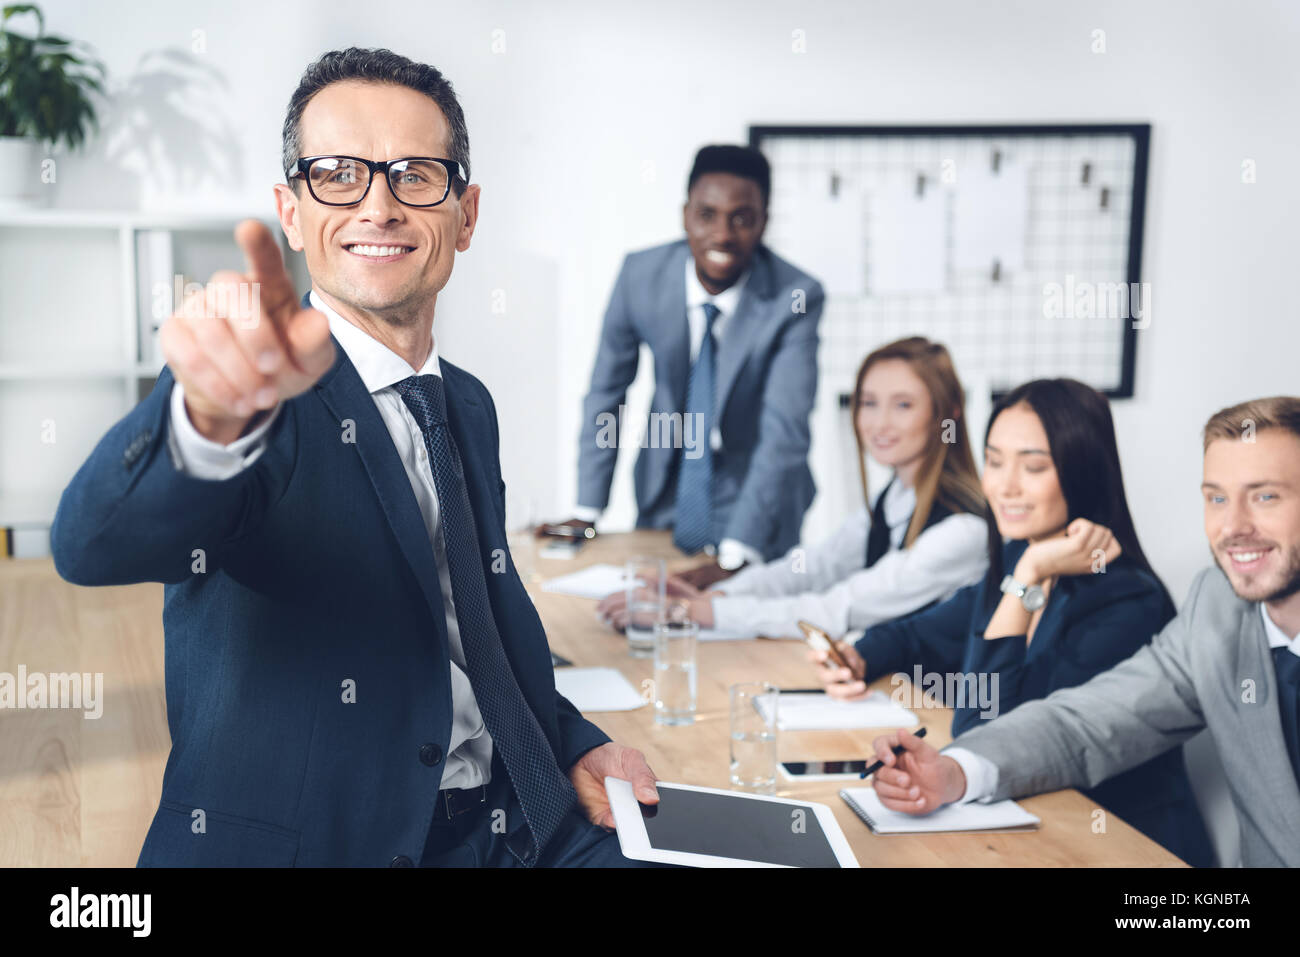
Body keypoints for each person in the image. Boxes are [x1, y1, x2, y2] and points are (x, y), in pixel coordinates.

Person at [49, 47, 660, 868]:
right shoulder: (255, 399)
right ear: (292, 210)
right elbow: (91, 545)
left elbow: (480, 626)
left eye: (415, 174)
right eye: (338, 174)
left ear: (465, 213)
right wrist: (205, 420)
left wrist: (575, 741)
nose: (379, 205)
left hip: (517, 823)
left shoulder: (467, 403)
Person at [864, 395, 1300, 868]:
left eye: (1265, 496)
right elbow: (1082, 724)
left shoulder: (1128, 595)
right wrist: (953, 771)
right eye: (1216, 497)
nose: (1232, 526)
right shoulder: (1219, 604)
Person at [810, 379, 1215, 866]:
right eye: (995, 460)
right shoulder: (1015, 556)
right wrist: (857, 657)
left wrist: (1029, 577)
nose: (1005, 485)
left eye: (1034, 466)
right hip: (1031, 834)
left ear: (1082, 471)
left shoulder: (1126, 601)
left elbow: (985, 724)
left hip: (1120, 849)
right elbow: (915, 633)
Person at [550, 144, 825, 589]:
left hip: (756, 494)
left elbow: (784, 433)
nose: (722, 234)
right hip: (666, 481)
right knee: (651, 619)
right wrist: (588, 510)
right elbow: (607, 393)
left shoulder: (795, 298)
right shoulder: (641, 276)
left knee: (740, 636)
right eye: (707, 214)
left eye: (742, 217)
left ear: (764, 222)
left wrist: (737, 554)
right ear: (685, 215)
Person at [597, 337, 987, 639]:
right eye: (869, 403)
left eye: (903, 405)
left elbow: (841, 607)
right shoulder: (897, 498)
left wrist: (693, 613)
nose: (880, 423)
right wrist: (714, 598)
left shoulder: (963, 530)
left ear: (947, 412)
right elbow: (813, 567)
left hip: (932, 709)